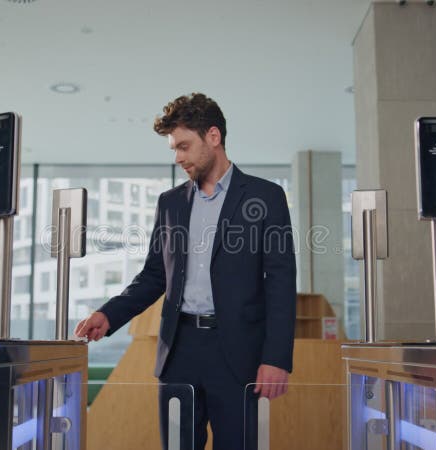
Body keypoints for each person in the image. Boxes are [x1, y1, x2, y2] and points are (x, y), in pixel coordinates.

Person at [75, 93, 296, 450]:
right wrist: (108, 313)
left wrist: (276, 358)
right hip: (180, 353)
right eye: (174, 149)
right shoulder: (171, 203)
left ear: (213, 136)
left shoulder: (266, 197)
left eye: (184, 146)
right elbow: (154, 276)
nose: (178, 157)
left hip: (239, 356)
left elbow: (281, 282)